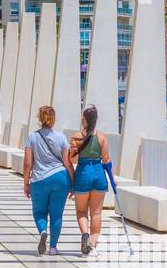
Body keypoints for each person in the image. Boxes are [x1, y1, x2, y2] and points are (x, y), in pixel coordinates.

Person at [21, 105, 73, 256]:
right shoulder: (61, 137)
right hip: (60, 178)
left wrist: (26, 183)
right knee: (56, 214)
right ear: (53, 119)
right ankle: (53, 248)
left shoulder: (32, 137)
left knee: (39, 212)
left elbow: (28, 163)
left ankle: (43, 231)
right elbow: (67, 162)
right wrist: (72, 181)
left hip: (39, 180)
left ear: (39, 119)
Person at [68, 105, 111, 255]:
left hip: (82, 174)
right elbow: (106, 160)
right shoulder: (102, 138)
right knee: (96, 213)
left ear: (83, 120)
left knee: (81, 211)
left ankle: (85, 234)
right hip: (99, 175)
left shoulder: (76, 137)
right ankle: (93, 246)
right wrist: (112, 179)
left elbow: (72, 159)